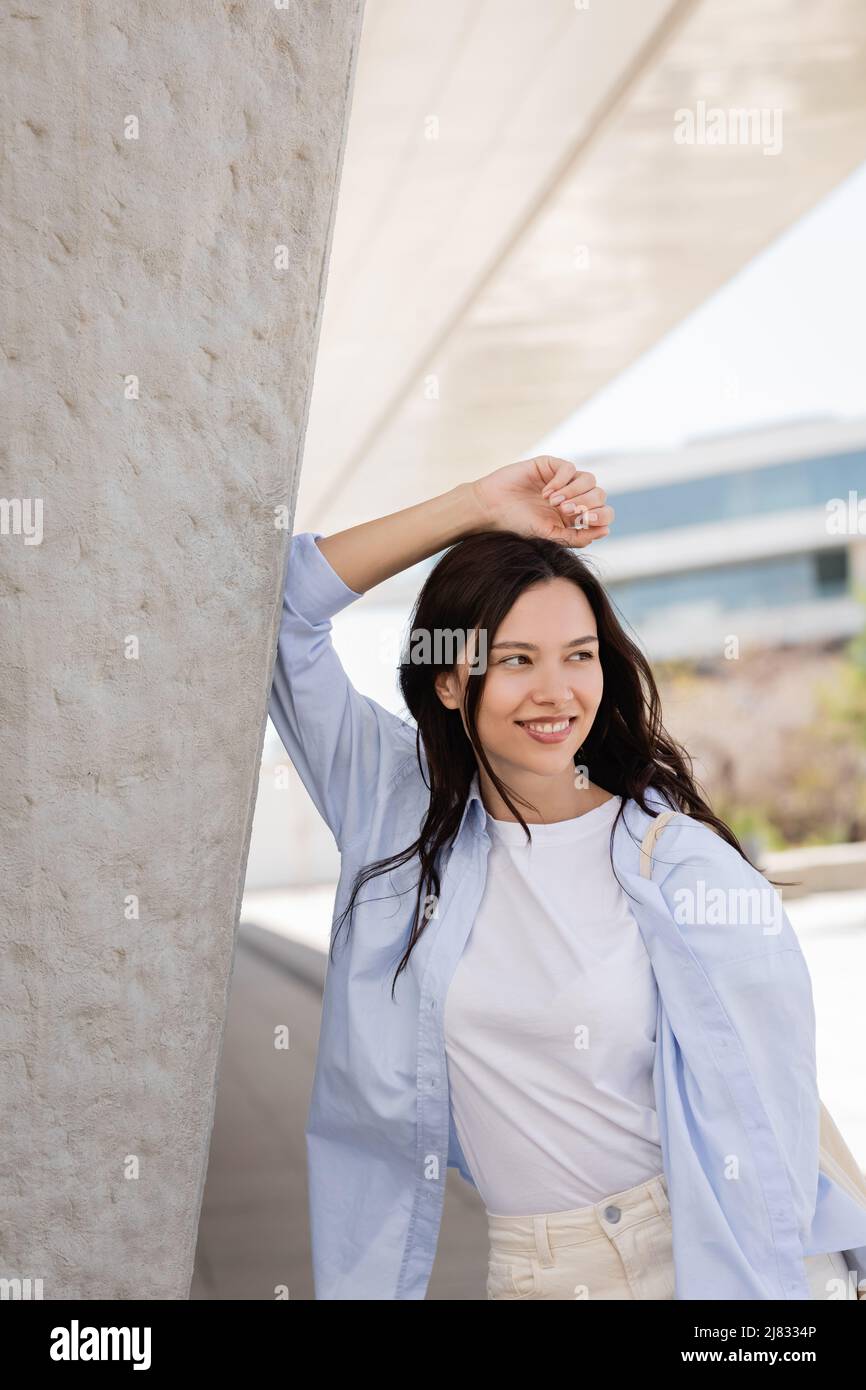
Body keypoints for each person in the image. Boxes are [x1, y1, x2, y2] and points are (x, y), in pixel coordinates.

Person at [268, 455, 866, 1300]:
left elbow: (762, 1127)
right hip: (537, 1271)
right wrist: (473, 504)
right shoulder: (392, 807)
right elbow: (285, 608)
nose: (555, 691)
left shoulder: (682, 866)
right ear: (448, 679)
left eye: (578, 655)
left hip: (706, 1261)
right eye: (514, 660)